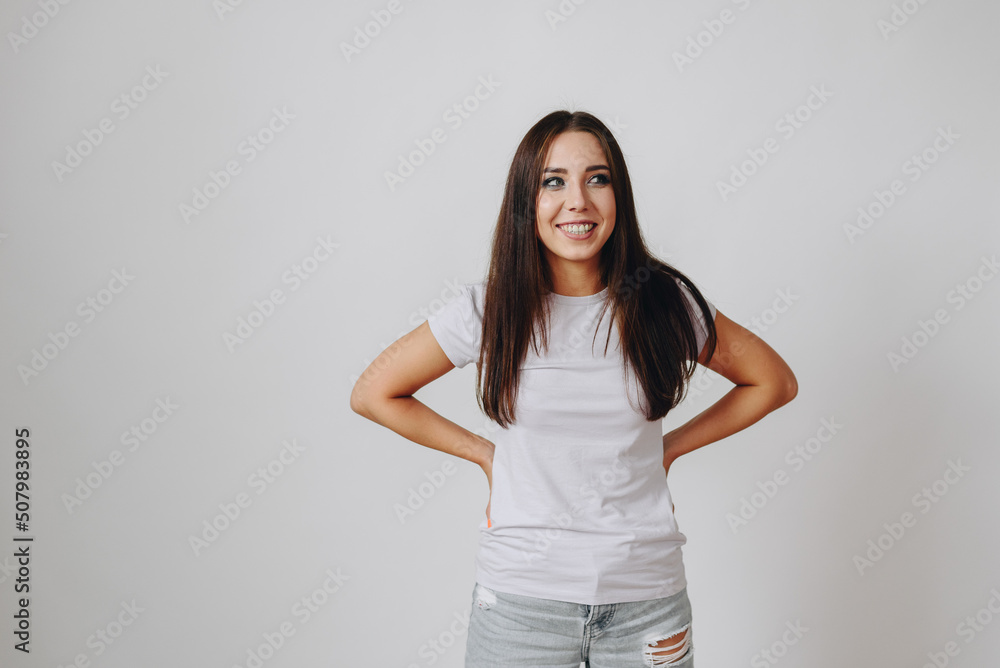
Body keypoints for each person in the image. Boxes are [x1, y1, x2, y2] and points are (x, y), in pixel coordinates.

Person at [350, 110, 797, 667]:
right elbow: (373, 392)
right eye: (553, 182)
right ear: (526, 201)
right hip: (520, 605)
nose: (578, 201)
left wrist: (669, 449)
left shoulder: (661, 302)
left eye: (598, 178)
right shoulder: (489, 309)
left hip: (644, 604)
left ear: (619, 196)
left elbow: (773, 382)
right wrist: (487, 457)